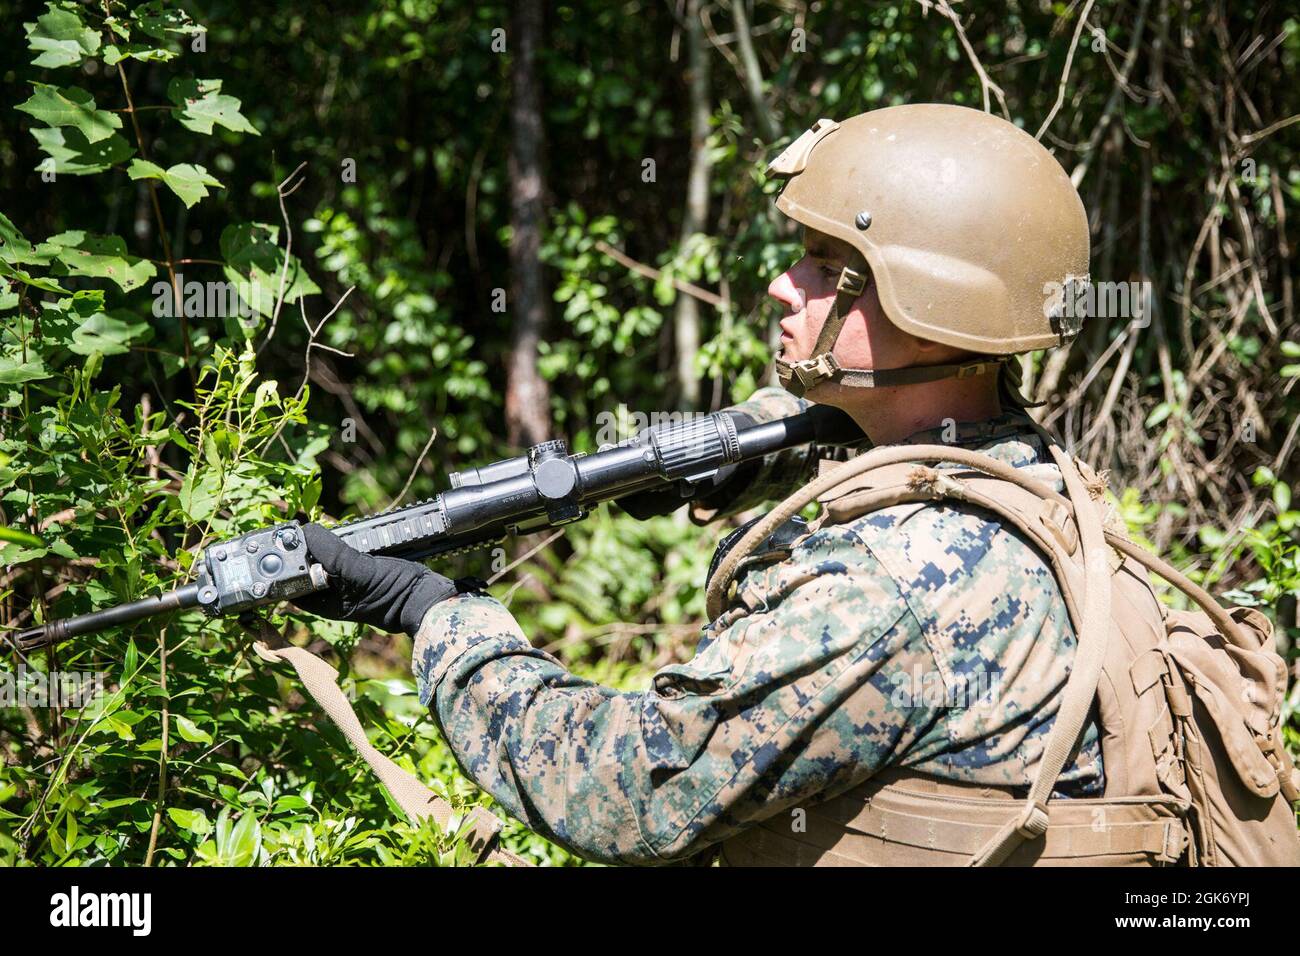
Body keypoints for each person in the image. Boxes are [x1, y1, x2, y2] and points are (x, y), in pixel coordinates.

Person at [293, 105, 1140, 865]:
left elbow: (626, 792)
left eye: (823, 265)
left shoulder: (880, 592)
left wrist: (440, 616)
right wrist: (750, 445)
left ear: (924, 304)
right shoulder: (1030, 472)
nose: (782, 284)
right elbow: (875, 433)